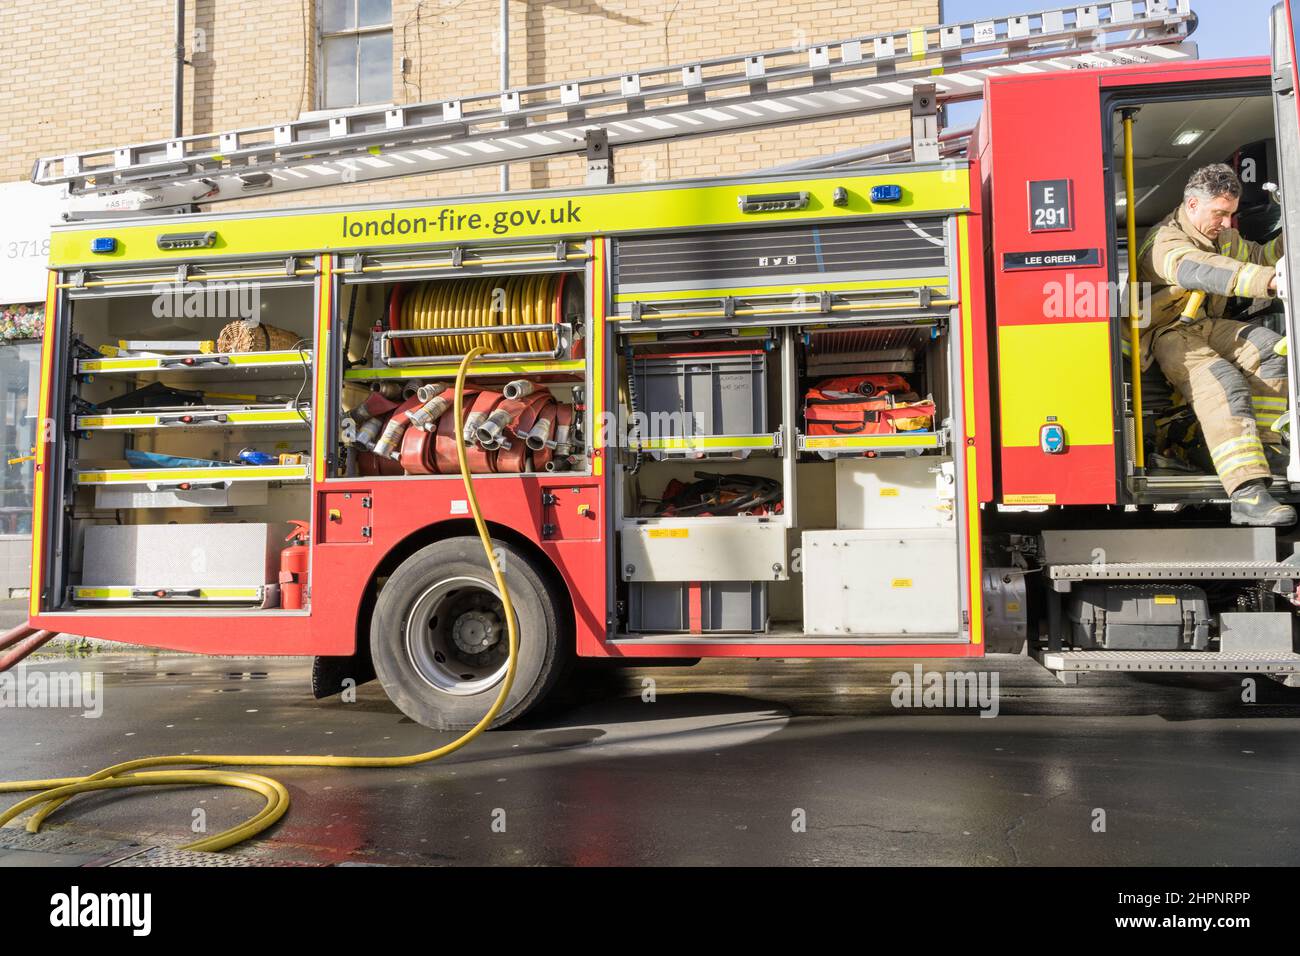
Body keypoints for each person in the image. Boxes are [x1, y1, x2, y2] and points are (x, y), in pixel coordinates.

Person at [1136, 163, 1292, 526]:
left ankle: (1266, 449)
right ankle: (1247, 491)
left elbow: (1260, 257)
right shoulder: (1163, 241)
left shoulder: (1222, 236)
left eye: (1230, 214)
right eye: (1219, 214)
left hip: (1203, 324)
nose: (1226, 223)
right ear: (1192, 206)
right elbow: (1199, 269)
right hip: (1165, 333)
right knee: (1223, 383)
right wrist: (1271, 281)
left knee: (1269, 350)